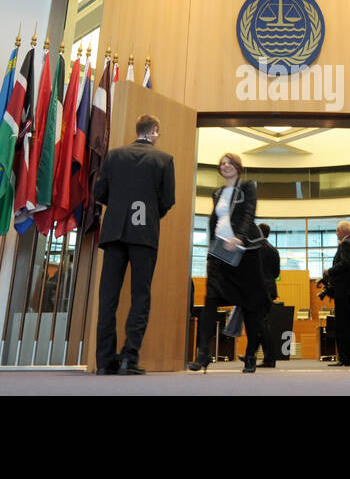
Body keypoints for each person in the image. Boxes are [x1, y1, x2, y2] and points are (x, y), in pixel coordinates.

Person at [91, 114, 176, 375]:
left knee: (108, 298)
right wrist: (148, 214)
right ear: (155, 131)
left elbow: (99, 193)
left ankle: (104, 362)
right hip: (144, 235)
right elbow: (167, 199)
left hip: (114, 232)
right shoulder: (164, 160)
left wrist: (119, 210)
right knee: (141, 295)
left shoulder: (114, 156)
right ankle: (129, 357)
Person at [187, 152, 269, 373]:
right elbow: (217, 220)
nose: (225, 165)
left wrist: (239, 237)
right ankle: (203, 353)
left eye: (229, 162)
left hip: (245, 253)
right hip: (220, 253)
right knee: (210, 300)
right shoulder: (217, 192)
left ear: (238, 166)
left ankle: (251, 354)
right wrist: (212, 247)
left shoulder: (247, 186)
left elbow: (249, 214)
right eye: (222, 163)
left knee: (250, 305)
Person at [320, 220, 350, 366]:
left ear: (344, 231)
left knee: (342, 324)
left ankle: (345, 358)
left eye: (337, 230)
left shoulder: (346, 244)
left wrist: (329, 271)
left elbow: (345, 263)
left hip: (345, 290)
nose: (336, 233)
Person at [251, 222, 282, 368]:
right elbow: (276, 273)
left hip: (258, 289)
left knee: (261, 324)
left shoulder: (256, 247)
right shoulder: (274, 250)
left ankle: (269, 358)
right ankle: (251, 353)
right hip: (270, 289)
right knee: (261, 323)